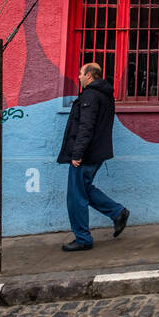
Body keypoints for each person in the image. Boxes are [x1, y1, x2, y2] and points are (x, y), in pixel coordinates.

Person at [58, 62, 129, 251]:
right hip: (97, 152)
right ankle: (117, 212)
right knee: (85, 189)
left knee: (76, 196)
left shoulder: (90, 95)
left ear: (89, 75)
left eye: (81, 74)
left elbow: (86, 126)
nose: (79, 77)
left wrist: (77, 154)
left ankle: (83, 238)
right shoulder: (105, 95)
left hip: (86, 154)